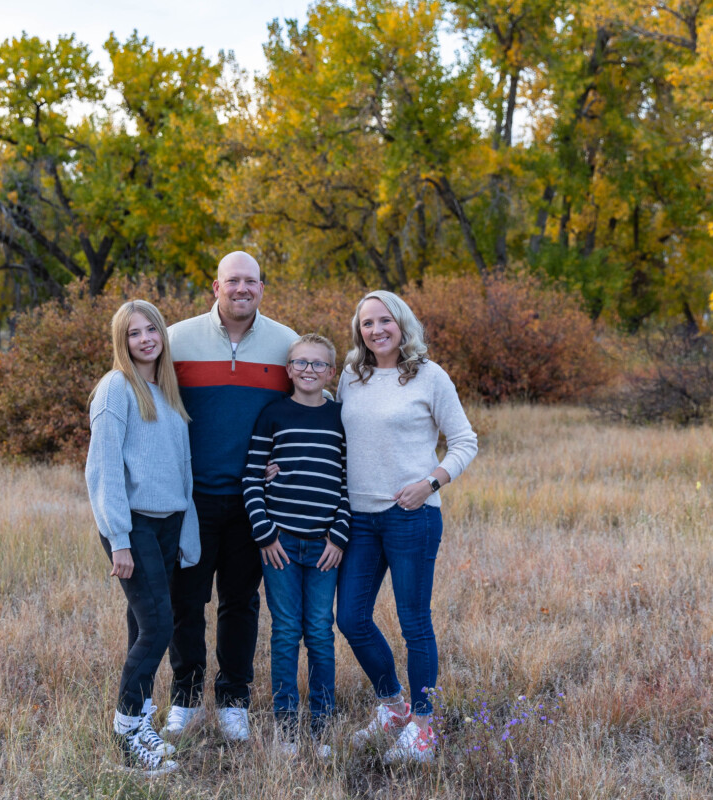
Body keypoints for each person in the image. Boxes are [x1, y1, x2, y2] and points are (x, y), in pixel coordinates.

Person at [335, 290, 478, 764]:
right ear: (359, 331)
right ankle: (392, 704)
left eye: (384, 321)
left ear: (402, 324)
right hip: (359, 518)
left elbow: (463, 441)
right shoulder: (350, 378)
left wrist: (431, 482)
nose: (376, 330)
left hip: (411, 516)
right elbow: (335, 439)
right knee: (351, 617)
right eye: (367, 323)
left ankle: (423, 726)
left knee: (415, 623)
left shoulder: (429, 376)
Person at [164, 251, 298, 742]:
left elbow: (303, 410)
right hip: (191, 500)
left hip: (254, 502)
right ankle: (185, 698)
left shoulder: (286, 343)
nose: (242, 288)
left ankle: (234, 700)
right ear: (214, 287)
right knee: (187, 601)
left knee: (241, 601)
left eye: (251, 281)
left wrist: (289, 459)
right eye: (232, 281)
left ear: (263, 287)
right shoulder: (177, 339)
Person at [85, 300, 200, 776]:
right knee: (158, 627)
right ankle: (126, 730)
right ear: (122, 342)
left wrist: (187, 531)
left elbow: (182, 470)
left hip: (169, 524)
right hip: (134, 524)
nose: (146, 338)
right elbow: (104, 470)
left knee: (142, 626)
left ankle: (140, 722)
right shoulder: (116, 388)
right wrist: (120, 540)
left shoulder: (166, 390)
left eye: (152, 329)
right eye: (134, 333)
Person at [242, 334, 350, 756]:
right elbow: (251, 478)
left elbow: (348, 485)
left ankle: (321, 725)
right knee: (286, 632)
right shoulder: (273, 415)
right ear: (288, 369)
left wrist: (339, 537)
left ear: (331, 372)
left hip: (325, 546)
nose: (308, 370)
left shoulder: (341, 419)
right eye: (300, 363)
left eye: (318, 364)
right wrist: (264, 532)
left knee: (320, 633)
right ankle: (286, 726)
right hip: (280, 544)